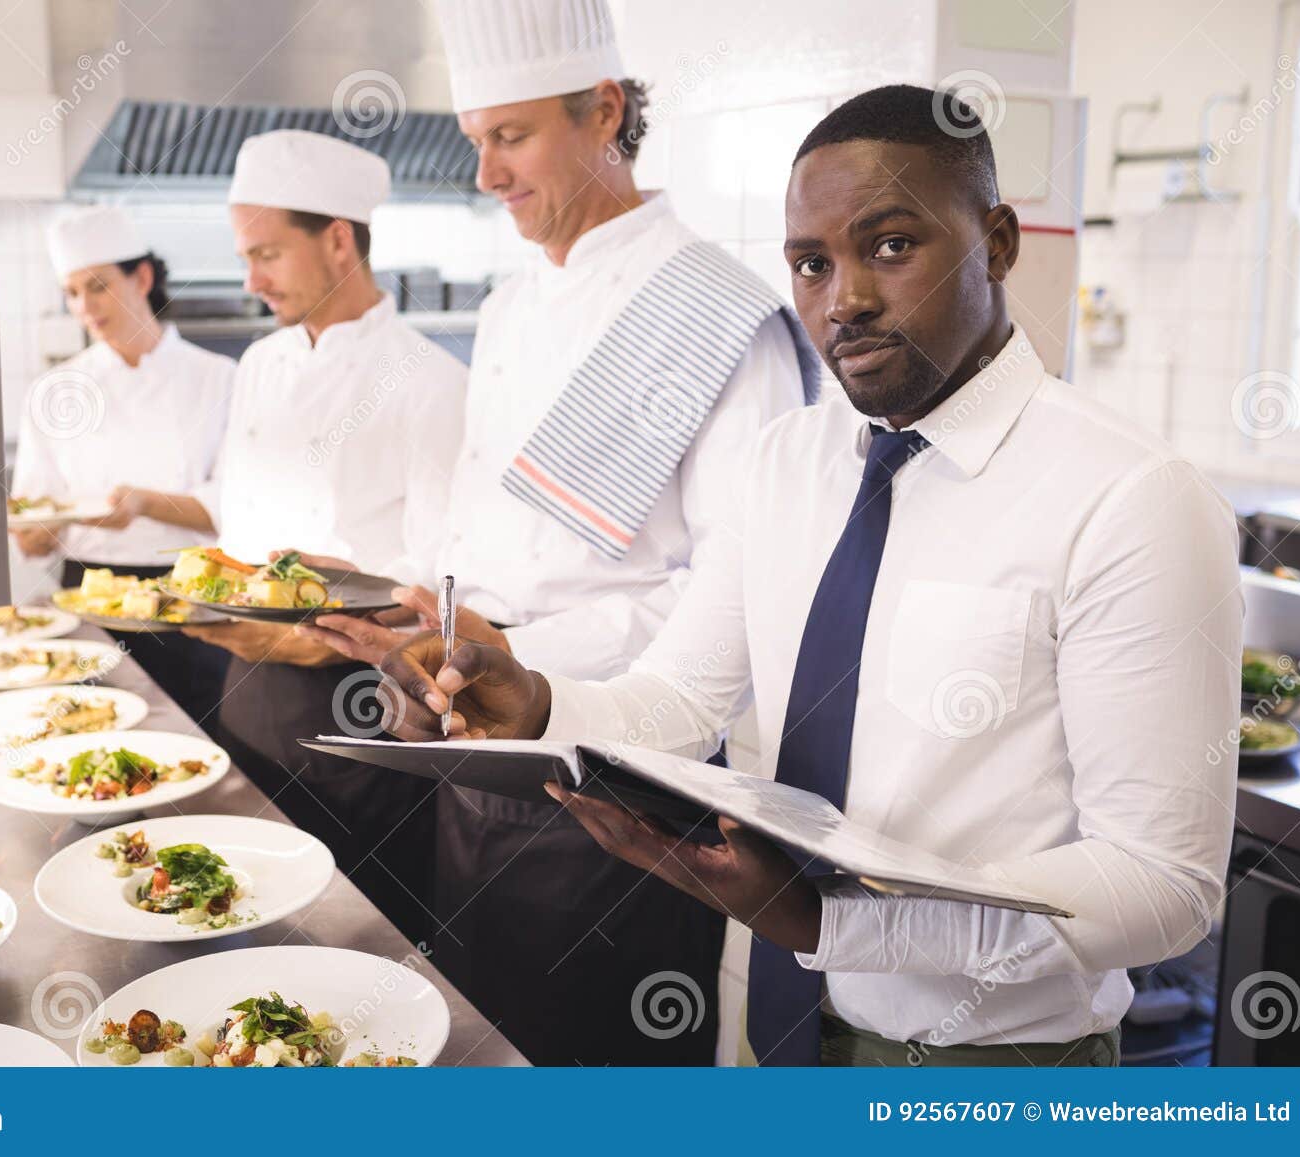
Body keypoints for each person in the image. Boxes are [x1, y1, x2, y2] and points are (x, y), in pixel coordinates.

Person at [377, 84, 1243, 1067]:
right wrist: (533, 700)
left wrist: (836, 922)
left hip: (992, 1067)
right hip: (780, 1030)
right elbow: (678, 698)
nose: (847, 299)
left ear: (996, 242)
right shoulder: (786, 463)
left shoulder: (1132, 498)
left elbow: (1164, 884)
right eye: (810, 263)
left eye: (890, 246)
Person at [295, 0, 819, 1066]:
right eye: (473, 138)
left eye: (510, 134)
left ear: (604, 111)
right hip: (471, 752)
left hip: (618, 785)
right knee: (477, 1046)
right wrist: (408, 609)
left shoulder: (717, 309)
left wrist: (521, 652)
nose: (483, 173)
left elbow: (740, 591)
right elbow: (483, 538)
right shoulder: (507, 307)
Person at [125, 129, 467, 942]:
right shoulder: (261, 364)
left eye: (268, 253)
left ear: (338, 239)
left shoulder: (432, 381)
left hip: (357, 711)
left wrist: (322, 631)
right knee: (247, 920)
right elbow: (239, 530)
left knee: (359, 935)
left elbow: (442, 575)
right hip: (244, 689)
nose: (251, 280)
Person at [12, 204, 236, 728]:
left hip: (191, 601)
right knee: (95, 743)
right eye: (71, 292)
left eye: (98, 286)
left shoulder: (217, 377)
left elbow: (234, 508)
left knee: (202, 748)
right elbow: (31, 535)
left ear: (142, 277)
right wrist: (35, 527)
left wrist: (143, 504)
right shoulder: (53, 390)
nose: (84, 306)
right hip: (88, 598)